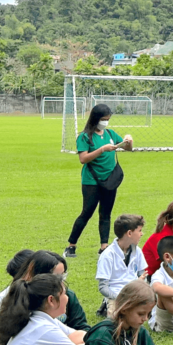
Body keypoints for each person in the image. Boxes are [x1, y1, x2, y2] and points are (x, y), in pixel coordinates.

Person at [66, 104, 133, 258]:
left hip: (110, 180)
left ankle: (104, 247)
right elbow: (83, 158)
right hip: (91, 181)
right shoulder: (84, 137)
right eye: (103, 119)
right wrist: (102, 149)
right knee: (87, 212)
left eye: (108, 119)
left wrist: (128, 140)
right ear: (96, 118)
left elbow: (128, 149)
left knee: (106, 213)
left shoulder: (110, 133)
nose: (105, 122)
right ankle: (71, 245)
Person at [0, 250, 88, 345]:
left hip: (62, 344)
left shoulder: (65, 295)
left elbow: (81, 327)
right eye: (57, 277)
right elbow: (3, 336)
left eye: (63, 275)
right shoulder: (16, 298)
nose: (62, 283)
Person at [96, 214, 148, 317]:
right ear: (129, 233)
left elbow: (143, 275)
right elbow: (103, 287)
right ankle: (108, 306)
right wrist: (119, 297)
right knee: (119, 317)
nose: (142, 234)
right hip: (116, 295)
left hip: (135, 293)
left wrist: (141, 285)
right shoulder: (107, 255)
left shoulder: (137, 251)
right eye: (139, 230)